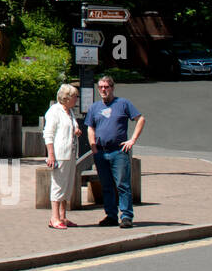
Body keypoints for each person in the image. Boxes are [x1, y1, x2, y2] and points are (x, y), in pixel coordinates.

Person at [86, 75, 145, 228]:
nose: (103, 90)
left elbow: (140, 119)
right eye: (101, 87)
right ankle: (111, 215)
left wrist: (132, 140)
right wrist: (93, 146)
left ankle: (126, 216)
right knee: (106, 185)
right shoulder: (94, 107)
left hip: (118, 151)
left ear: (112, 88)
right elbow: (90, 127)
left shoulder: (123, 103)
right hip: (101, 152)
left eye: (106, 87)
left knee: (122, 185)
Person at [43, 83, 81, 229]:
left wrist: (76, 129)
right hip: (60, 154)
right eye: (74, 96)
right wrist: (51, 155)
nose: (76, 99)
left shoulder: (69, 111)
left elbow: (72, 125)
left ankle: (63, 217)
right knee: (58, 185)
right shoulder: (55, 111)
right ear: (66, 97)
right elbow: (48, 134)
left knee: (67, 186)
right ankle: (54, 218)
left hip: (71, 153)